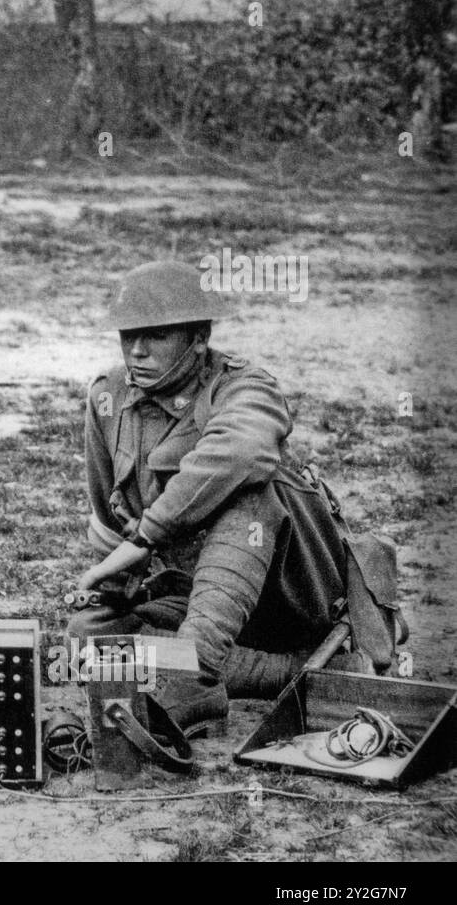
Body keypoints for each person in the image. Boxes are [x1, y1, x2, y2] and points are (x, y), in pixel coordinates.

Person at [69, 261, 399, 733]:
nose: (136, 351)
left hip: (288, 591)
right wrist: (115, 582)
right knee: (91, 640)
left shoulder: (246, 385)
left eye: (156, 336)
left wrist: (146, 536)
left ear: (199, 337)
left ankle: (194, 669)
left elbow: (240, 453)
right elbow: (110, 514)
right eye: (128, 336)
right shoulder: (109, 398)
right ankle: (292, 671)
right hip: (199, 598)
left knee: (249, 493)